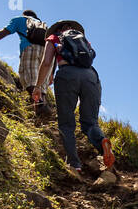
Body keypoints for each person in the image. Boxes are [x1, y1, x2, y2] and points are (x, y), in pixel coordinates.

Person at [31, 20, 113, 179]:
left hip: (67, 75)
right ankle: (102, 143)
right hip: (91, 76)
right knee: (90, 122)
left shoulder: (54, 37)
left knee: (67, 123)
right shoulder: (84, 40)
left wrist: (38, 86)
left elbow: (47, 61)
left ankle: (74, 164)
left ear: (59, 29)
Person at [0, 10, 47, 92]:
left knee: (31, 83)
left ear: (24, 15)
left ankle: (35, 103)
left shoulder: (21, 19)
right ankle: (40, 103)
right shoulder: (44, 25)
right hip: (46, 54)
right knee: (40, 88)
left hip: (30, 49)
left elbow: (2, 34)